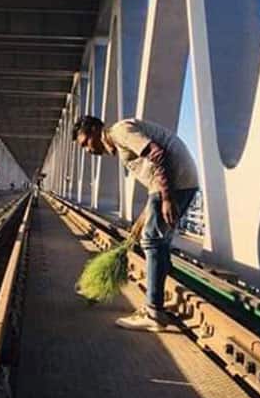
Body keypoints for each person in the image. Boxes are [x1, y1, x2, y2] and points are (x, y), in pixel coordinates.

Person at [73, 115, 199, 332]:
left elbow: (157, 154)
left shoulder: (120, 131)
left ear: (95, 130)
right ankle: (159, 301)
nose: (87, 150)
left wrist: (166, 197)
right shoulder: (121, 140)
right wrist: (144, 216)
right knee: (158, 240)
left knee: (152, 241)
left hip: (176, 181)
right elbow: (152, 176)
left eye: (85, 143)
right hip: (181, 180)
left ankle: (153, 313)